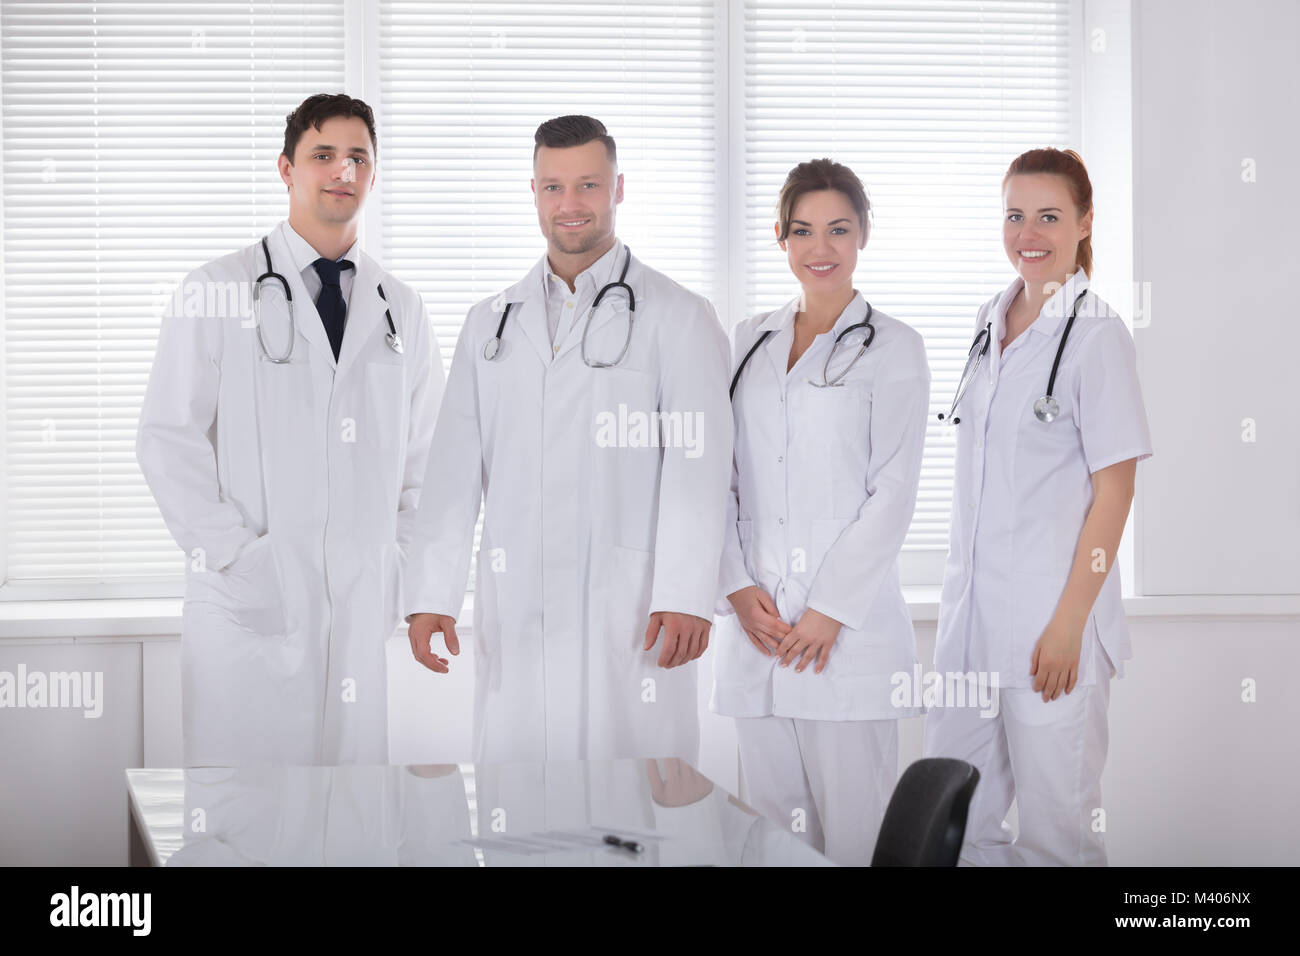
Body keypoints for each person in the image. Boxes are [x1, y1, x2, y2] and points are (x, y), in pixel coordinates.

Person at [404, 115, 732, 764]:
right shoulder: (489, 325)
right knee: (522, 804)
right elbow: (451, 475)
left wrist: (686, 592)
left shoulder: (678, 317)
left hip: (631, 603)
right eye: (554, 187)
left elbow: (701, 471)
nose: (571, 204)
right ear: (532, 192)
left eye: (588, 185)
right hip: (520, 602)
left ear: (618, 189)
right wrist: (430, 597)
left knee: (634, 811)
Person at [137, 93, 445, 766]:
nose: (342, 171)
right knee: (250, 822)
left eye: (358, 157)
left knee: (350, 819)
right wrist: (239, 559)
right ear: (287, 168)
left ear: (373, 173)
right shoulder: (217, 289)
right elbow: (167, 439)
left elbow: (427, 462)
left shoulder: (403, 309)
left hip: (360, 608)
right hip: (251, 608)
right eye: (323, 155)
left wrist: (393, 562)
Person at [923, 148, 1152, 866]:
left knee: (1058, 837)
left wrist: (1068, 625)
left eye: (1049, 215)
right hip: (971, 627)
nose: (1029, 231)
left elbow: (1115, 492)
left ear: (1084, 223)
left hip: (1054, 629)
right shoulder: (990, 320)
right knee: (958, 827)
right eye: (1015, 215)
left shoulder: (1096, 334)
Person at [712, 158, 930, 866]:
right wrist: (739, 589)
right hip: (761, 636)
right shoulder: (748, 341)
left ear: (863, 233)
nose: (820, 247)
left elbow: (892, 492)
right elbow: (721, 478)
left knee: (856, 843)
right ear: (781, 238)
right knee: (773, 844)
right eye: (803, 230)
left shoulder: (894, 347)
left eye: (838, 229)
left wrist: (829, 610)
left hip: (846, 646)